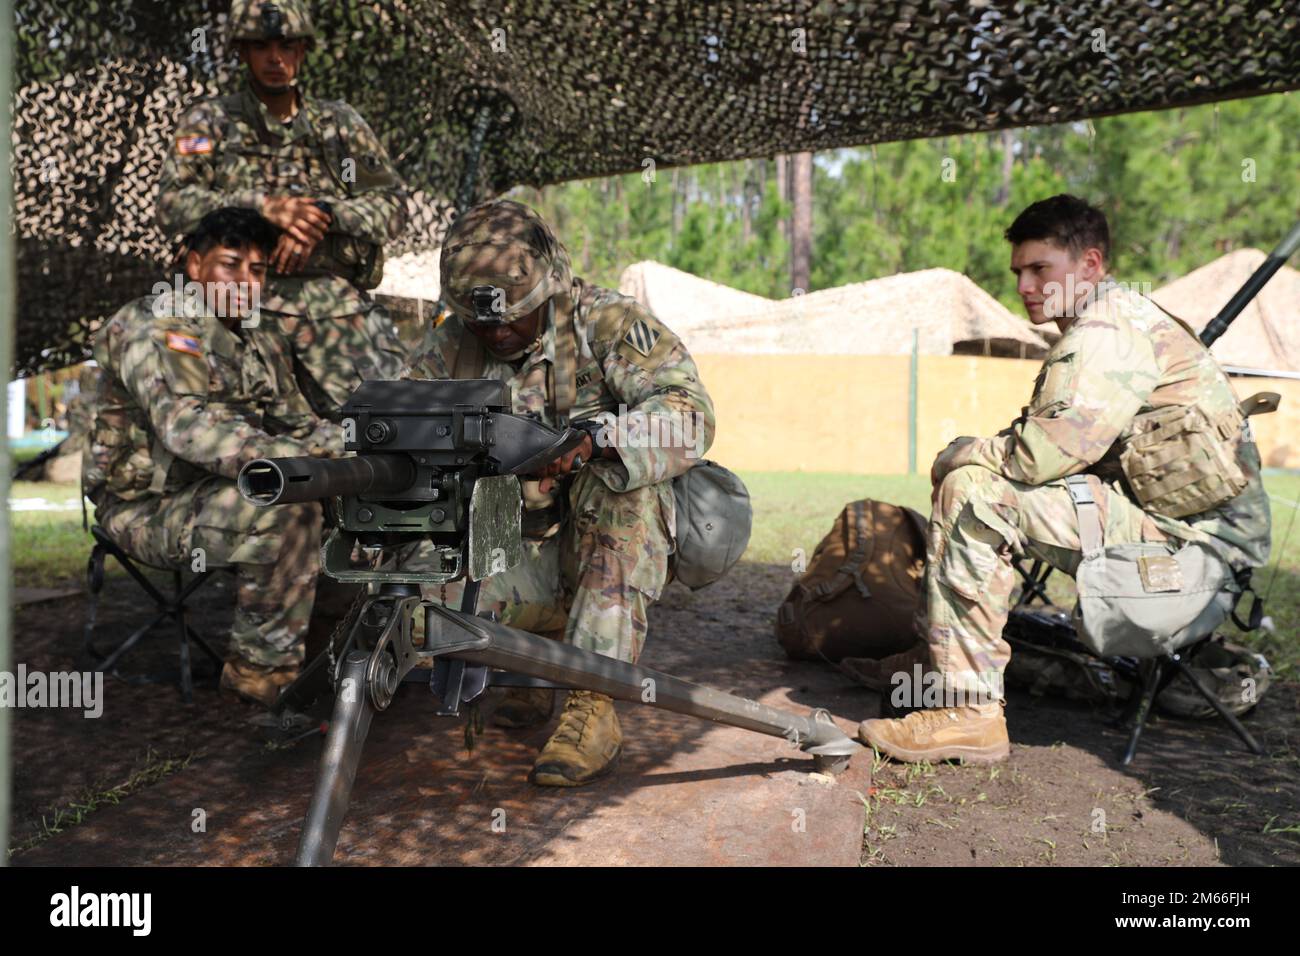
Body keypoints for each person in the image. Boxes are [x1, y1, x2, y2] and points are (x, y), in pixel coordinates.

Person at [856, 194, 1272, 764]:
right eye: (1018, 272)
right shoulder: (1106, 321)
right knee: (979, 482)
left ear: (1091, 265)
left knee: (974, 492)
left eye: (1039, 269)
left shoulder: (1108, 330)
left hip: (1193, 557)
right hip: (1169, 528)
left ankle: (967, 711)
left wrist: (959, 453)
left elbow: (1039, 457)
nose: (1025, 285)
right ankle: (938, 661)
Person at [403, 199, 716, 786]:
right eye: (482, 321)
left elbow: (689, 413)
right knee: (419, 611)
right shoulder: (451, 342)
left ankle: (591, 701)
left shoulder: (609, 323)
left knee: (626, 491)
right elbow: (405, 415)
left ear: (550, 287)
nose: (496, 332)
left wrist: (601, 440)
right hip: (516, 545)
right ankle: (538, 648)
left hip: (601, 545)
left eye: (511, 317)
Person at [83, 207, 344, 707]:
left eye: (258, 270)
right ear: (195, 265)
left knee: (353, 502)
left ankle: (329, 650)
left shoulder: (261, 338)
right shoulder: (152, 323)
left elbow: (300, 424)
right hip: (145, 506)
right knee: (289, 507)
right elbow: (186, 426)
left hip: (214, 494)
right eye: (230, 264)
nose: (246, 281)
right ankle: (259, 672)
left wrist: (358, 452)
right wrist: (289, 462)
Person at [155, 0, 408, 419]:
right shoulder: (211, 122)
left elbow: (392, 208)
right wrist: (264, 210)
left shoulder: (339, 124)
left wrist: (322, 216)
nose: (276, 58)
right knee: (235, 433)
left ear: (303, 50)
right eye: (261, 46)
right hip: (238, 308)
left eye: (287, 46)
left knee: (385, 425)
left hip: (333, 310)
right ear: (242, 52)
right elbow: (171, 206)